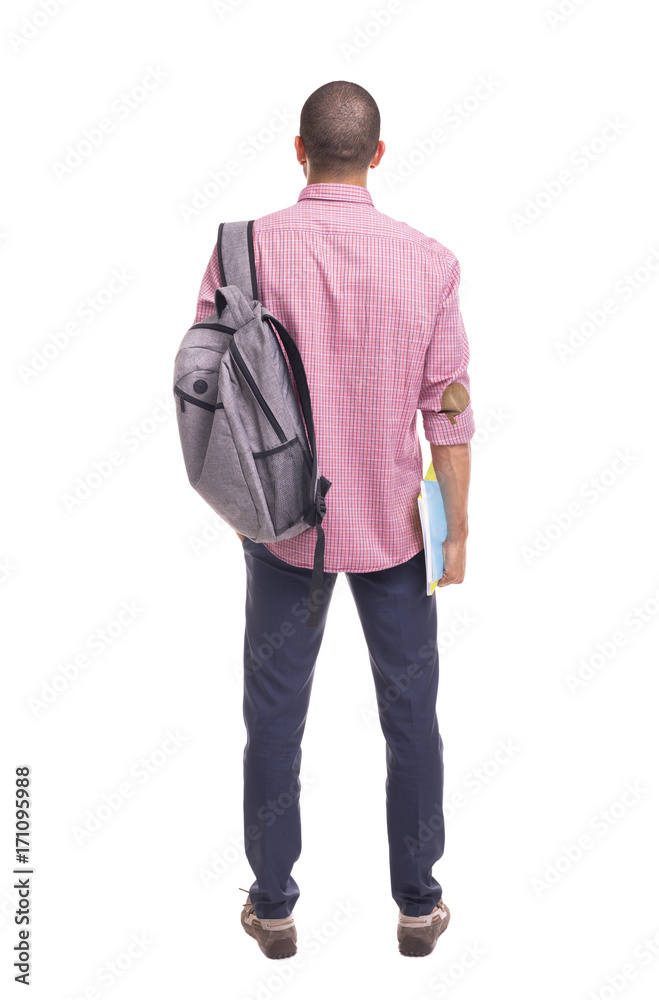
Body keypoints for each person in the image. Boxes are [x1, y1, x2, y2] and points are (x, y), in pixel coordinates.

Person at [193, 81, 474, 960]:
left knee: (274, 719)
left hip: (281, 529)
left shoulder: (243, 252)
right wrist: (456, 530)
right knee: (410, 714)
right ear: (378, 156)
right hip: (393, 528)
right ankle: (417, 906)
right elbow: (450, 414)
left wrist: (231, 499)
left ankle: (273, 908)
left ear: (299, 150)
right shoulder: (430, 262)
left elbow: (205, 388)